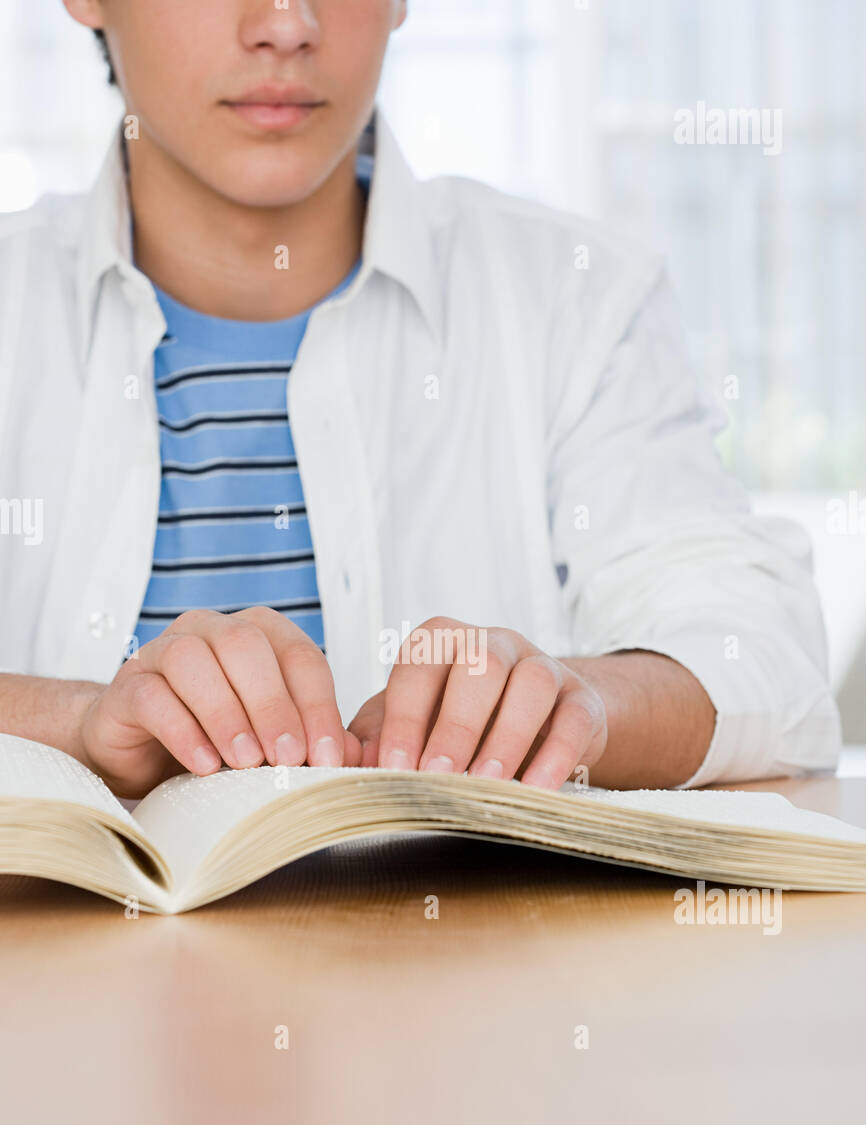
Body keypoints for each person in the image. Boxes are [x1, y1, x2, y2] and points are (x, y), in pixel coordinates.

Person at [0, 0, 839, 799]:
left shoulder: (575, 298)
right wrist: (79, 726)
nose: (287, 25)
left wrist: (577, 705)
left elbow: (766, 663)